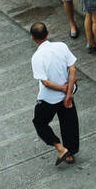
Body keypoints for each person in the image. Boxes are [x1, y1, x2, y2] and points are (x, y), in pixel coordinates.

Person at [29, 22, 78, 165]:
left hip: (49, 99)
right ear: (48, 33)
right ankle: (70, 153)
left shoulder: (37, 57)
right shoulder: (61, 46)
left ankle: (60, 148)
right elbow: (73, 69)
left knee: (39, 122)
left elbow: (46, 83)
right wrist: (68, 92)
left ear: (33, 38)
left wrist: (63, 89)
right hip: (67, 94)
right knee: (69, 123)